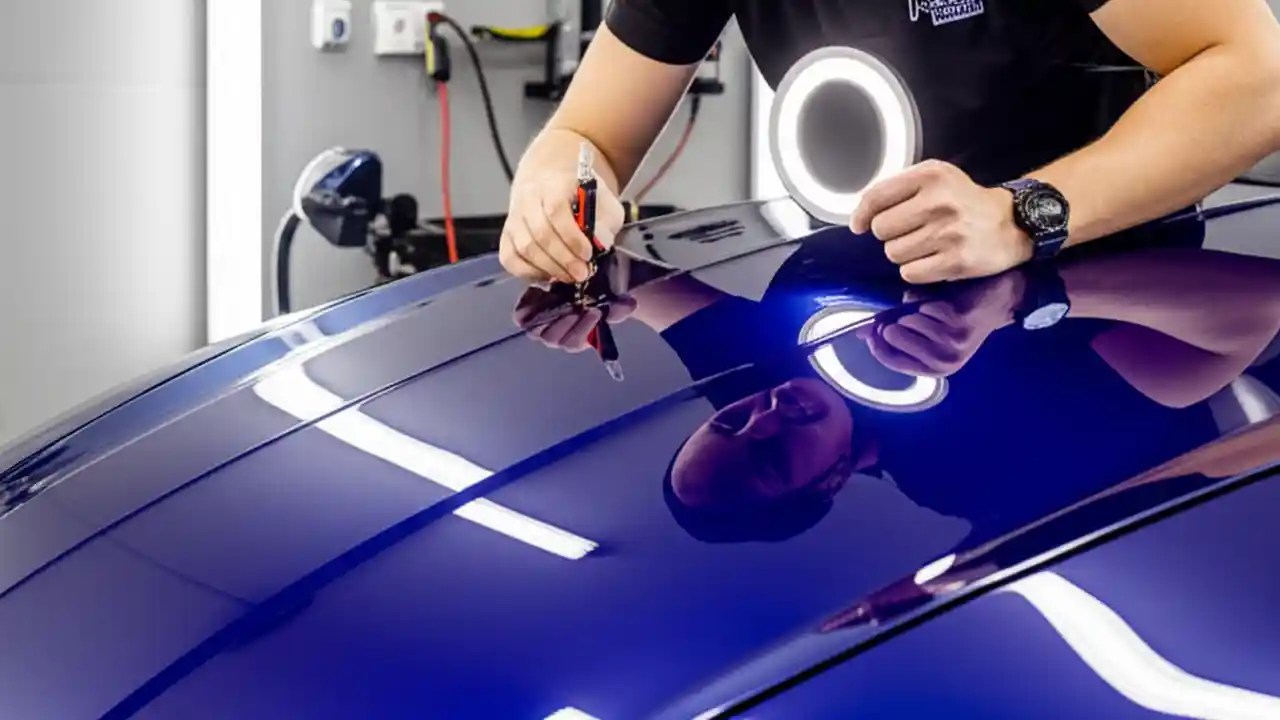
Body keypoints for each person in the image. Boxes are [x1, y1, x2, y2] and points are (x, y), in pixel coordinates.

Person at [515, 218, 1280, 544]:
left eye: (728, 425)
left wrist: (581, 280)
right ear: (829, 484)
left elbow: (633, 284)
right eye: (771, 456)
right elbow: (1260, 308)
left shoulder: (756, 378)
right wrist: (1026, 296)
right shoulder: (972, 466)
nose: (763, 417)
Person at [498, 0, 1280, 286]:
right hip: (880, 285)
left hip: (1102, 269)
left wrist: (1017, 216)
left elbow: (1257, 76)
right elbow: (585, 135)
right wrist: (552, 190)